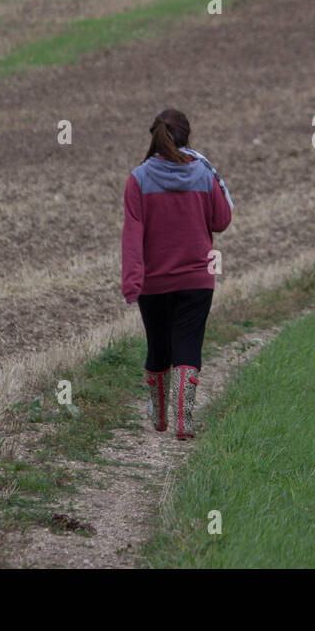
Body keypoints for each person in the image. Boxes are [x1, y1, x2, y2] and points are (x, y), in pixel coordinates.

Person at [121, 108, 233, 439]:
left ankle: (159, 417)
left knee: (157, 344)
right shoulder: (203, 172)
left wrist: (132, 281)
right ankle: (184, 421)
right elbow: (222, 220)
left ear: (155, 137)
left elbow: (132, 235)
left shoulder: (138, 178)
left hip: (154, 282)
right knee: (188, 344)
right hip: (197, 278)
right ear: (187, 136)